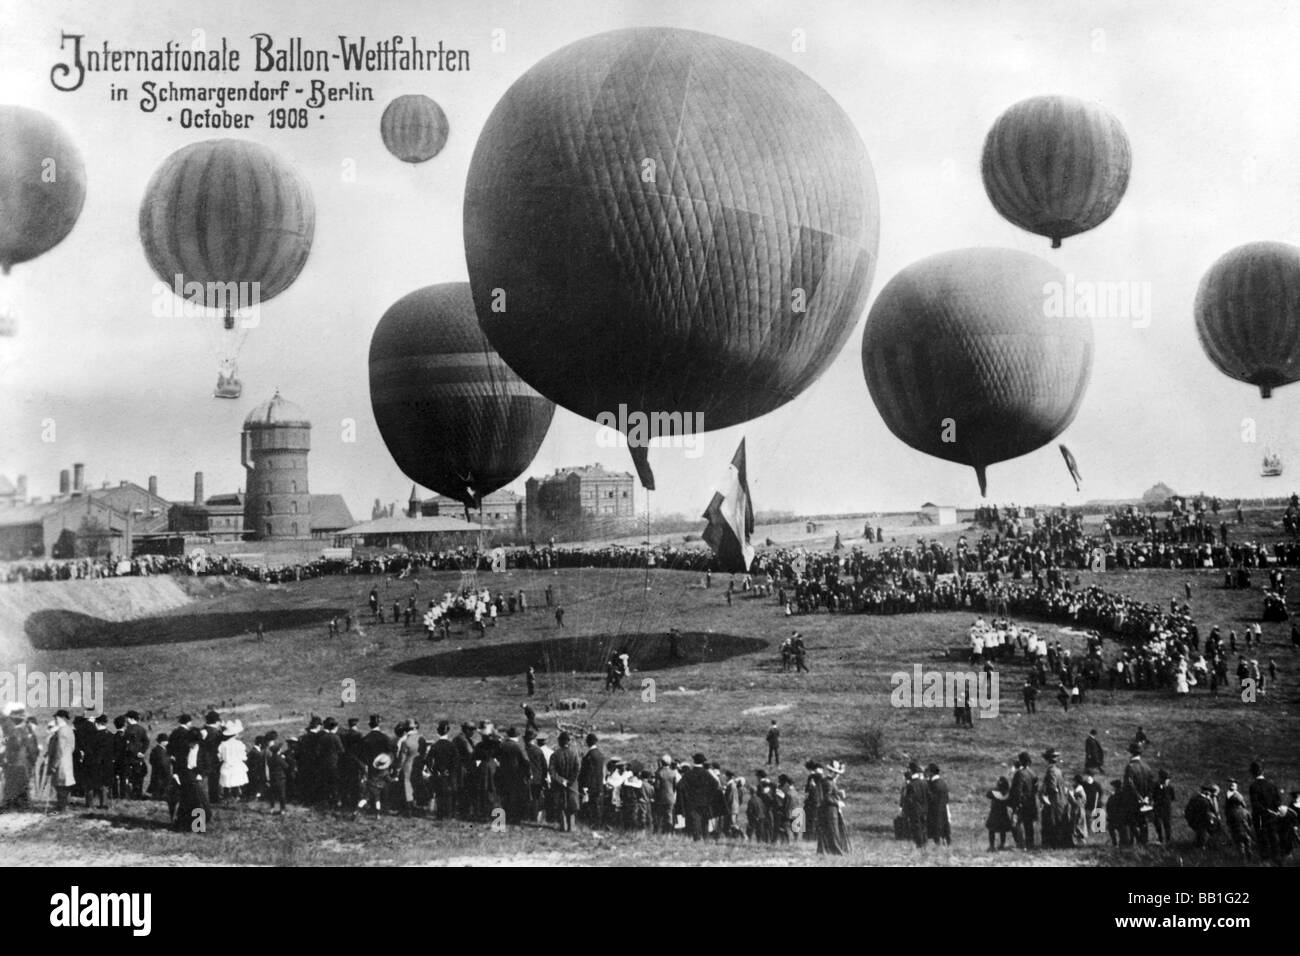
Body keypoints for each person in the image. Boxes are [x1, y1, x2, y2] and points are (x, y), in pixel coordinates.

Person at [1122, 742, 1156, 845]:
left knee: (1131, 822)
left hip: (1132, 801)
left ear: (1131, 753)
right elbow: (1152, 784)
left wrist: (1138, 797)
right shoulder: (1147, 767)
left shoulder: (1130, 767)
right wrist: (1147, 797)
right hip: (1145, 801)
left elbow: (1129, 784)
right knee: (1143, 822)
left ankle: (1134, 843)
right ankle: (1144, 844)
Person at [1247, 761, 1282, 862]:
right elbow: (1278, 801)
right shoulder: (1271, 784)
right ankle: (1277, 860)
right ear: (1263, 772)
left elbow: (1255, 804)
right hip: (1273, 817)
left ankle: (1265, 861)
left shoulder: (1253, 786)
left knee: (1263, 840)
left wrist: (1266, 811)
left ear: (1253, 773)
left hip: (1261, 818)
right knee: (1274, 838)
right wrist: (1274, 811)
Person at [548, 731, 580, 831]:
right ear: (569, 742)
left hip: (559, 785)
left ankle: (563, 826)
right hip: (572, 784)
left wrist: (562, 781)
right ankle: (572, 826)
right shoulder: (574, 754)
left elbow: (552, 771)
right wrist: (570, 781)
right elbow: (577, 769)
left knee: (561, 805)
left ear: (560, 742)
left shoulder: (554, 755)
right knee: (572, 805)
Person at [817, 760, 851, 855]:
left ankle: (831, 850)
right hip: (830, 809)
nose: (837, 775)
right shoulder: (828, 782)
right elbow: (827, 797)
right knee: (833, 831)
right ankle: (836, 851)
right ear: (831, 772)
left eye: (837, 773)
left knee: (832, 830)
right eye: (836, 773)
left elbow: (830, 794)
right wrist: (837, 803)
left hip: (831, 809)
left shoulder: (829, 781)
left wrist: (838, 793)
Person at [1039, 748, 1069, 848]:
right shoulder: (1058, 770)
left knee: (1053, 822)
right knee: (1060, 822)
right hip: (1061, 799)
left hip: (1054, 800)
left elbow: (1052, 787)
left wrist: (1043, 793)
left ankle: (1054, 844)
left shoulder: (1051, 771)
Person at [1010, 751, 1038, 849]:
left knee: (1015, 824)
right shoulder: (1033, 773)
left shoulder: (1019, 774)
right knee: (1028, 825)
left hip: (1021, 803)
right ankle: (1030, 844)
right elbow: (1036, 789)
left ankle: (1020, 844)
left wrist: (1016, 804)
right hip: (1031, 802)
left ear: (1021, 761)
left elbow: (1017, 791)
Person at [217, 720, 249, 801]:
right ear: (234, 735)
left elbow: (220, 756)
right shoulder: (240, 744)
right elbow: (243, 756)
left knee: (227, 781)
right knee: (235, 779)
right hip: (237, 764)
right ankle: (236, 795)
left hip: (227, 764)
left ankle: (227, 796)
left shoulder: (223, 745)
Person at [900, 762, 929, 848]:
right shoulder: (924, 783)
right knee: (923, 827)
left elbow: (909, 799)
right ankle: (925, 844)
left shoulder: (911, 785)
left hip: (915, 810)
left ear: (911, 771)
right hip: (924, 809)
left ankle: (919, 845)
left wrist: (905, 810)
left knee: (916, 828)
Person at [1184, 782, 1220, 848]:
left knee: (1200, 834)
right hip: (1203, 821)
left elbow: (1188, 810)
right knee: (1203, 835)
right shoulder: (1204, 801)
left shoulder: (1195, 798)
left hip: (1194, 820)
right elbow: (1207, 812)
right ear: (1206, 792)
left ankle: (1201, 845)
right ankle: (1203, 847)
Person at [1224, 779, 1253, 859]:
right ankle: (1248, 855)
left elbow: (1243, 805)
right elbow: (1249, 819)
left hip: (1236, 821)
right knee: (1247, 841)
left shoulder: (1238, 796)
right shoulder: (1228, 793)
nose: (1231, 786)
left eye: (1233, 785)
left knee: (1239, 843)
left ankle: (1243, 857)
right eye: (1230, 785)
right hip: (1243, 824)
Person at [986, 776, 1013, 851]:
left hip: (994, 813)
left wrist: (995, 788)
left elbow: (988, 794)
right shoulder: (1007, 793)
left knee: (991, 829)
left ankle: (992, 846)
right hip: (1003, 813)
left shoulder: (993, 792)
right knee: (1003, 830)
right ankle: (1002, 844)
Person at [926, 763, 951, 845]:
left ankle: (938, 845)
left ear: (931, 772)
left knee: (936, 831)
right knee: (944, 829)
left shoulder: (933, 784)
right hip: (943, 809)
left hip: (934, 811)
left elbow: (931, 798)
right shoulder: (943, 783)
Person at [1152, 770, 1176, 844]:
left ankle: (1168, 840)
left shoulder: (1170, 788)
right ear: (1160, 779)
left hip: (1167, 808)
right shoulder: (1155, 786)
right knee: (1158, 824)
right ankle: (1160, 838)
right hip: (1158, 808)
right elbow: (1153, 796)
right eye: (1165, 779)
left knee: (1167, 824)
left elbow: (1173, 797)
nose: (1167, 781)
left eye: (1168, 779)